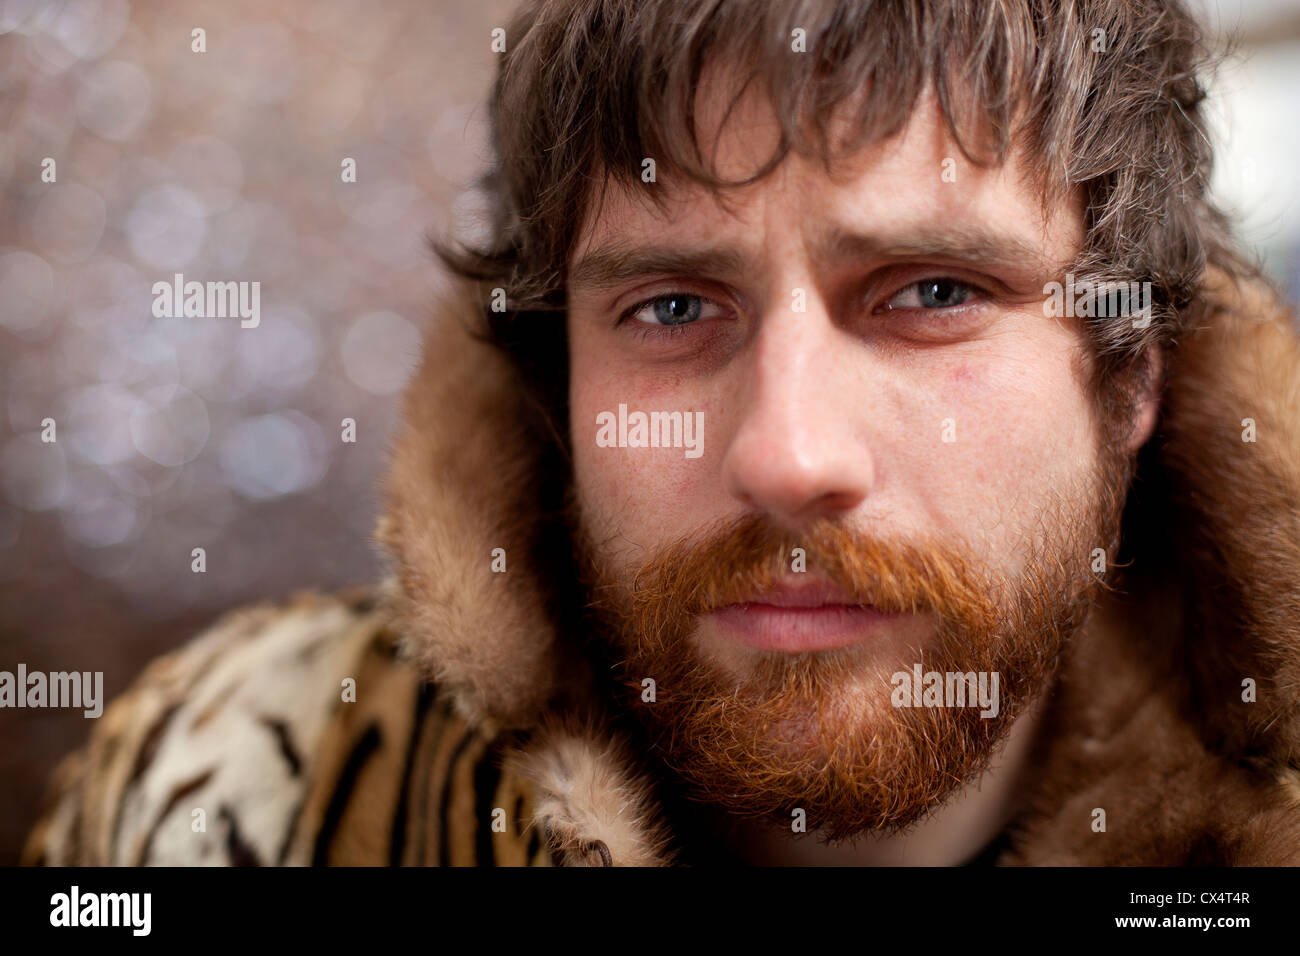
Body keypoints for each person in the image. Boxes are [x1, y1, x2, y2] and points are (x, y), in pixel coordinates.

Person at [25, 0, 1300, 866]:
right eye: (674, 305)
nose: (788, 456)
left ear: (1130, 377)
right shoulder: (224, 795)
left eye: (931, 293)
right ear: (557, 383)